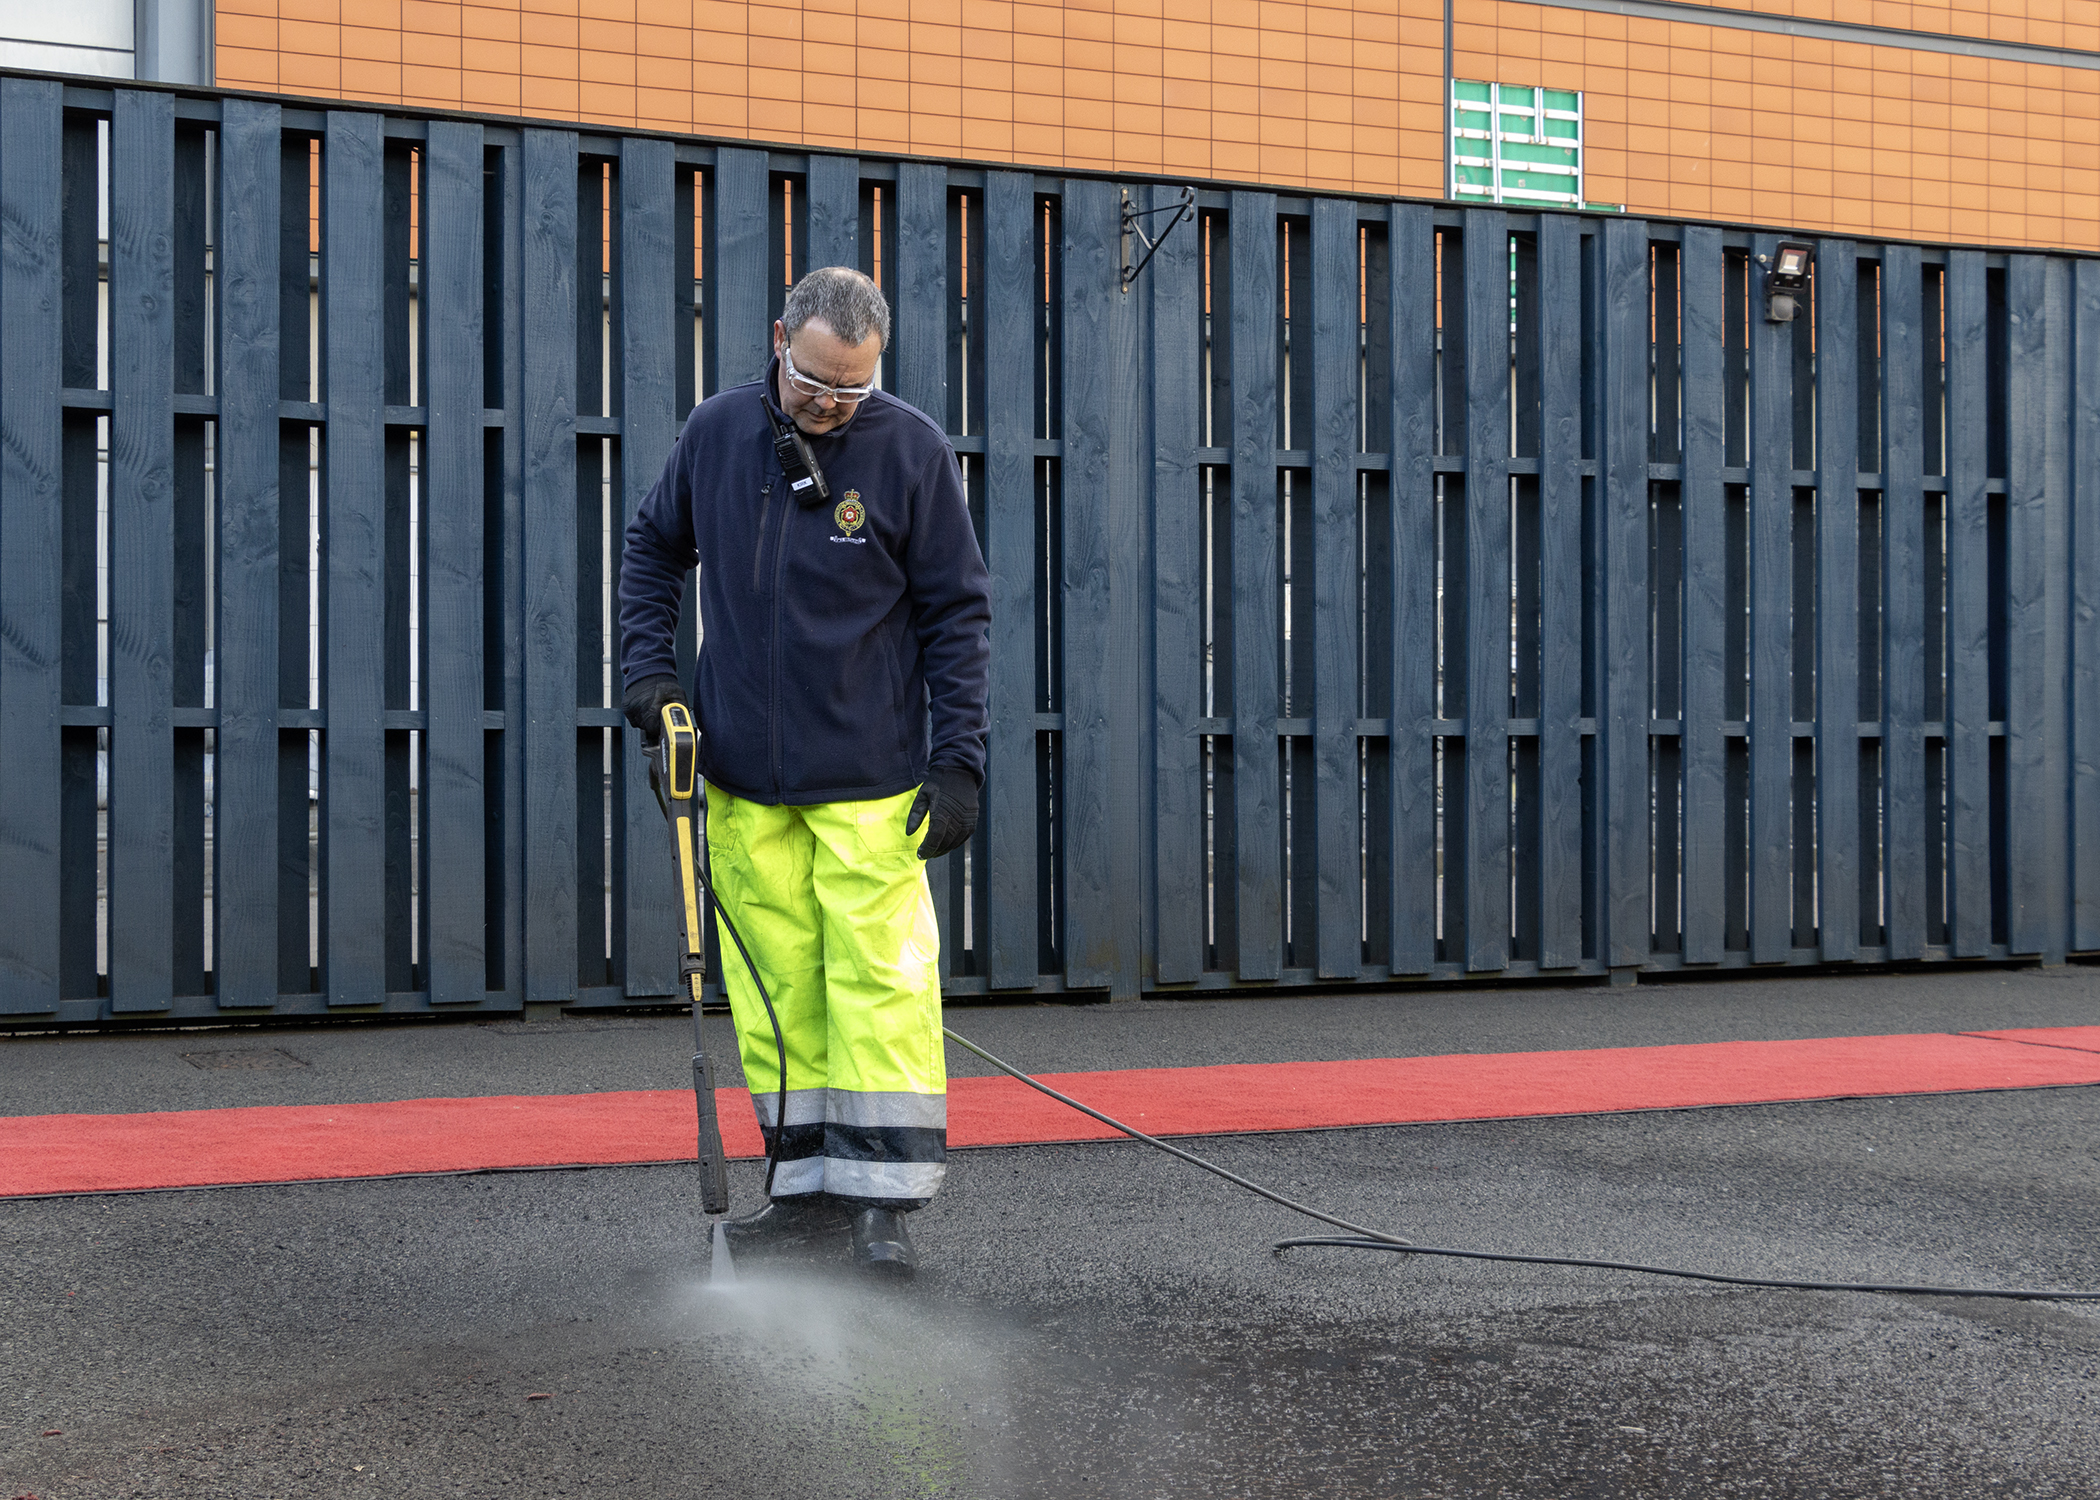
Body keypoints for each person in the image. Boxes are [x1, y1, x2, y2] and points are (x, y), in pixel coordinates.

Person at [617, 266, 991, 1279]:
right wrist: (649, 674)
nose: (829, 407)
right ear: (780, 338)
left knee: (878, 990)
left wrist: (958, 759)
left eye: (851, 393)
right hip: (740, 780)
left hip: (870, 783)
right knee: (779, 995)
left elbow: (957, 612)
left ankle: (884, 1211)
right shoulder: (717, 431)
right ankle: (806, 1195)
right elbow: (653, 549)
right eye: (814, 383)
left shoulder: (909, 449)